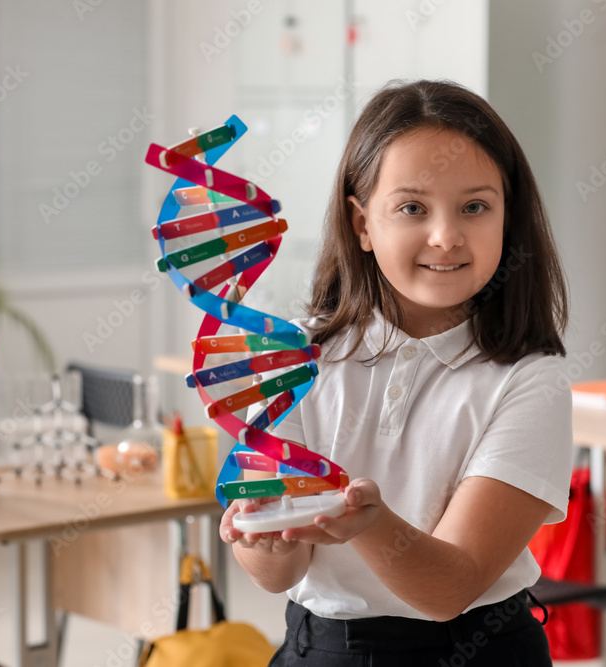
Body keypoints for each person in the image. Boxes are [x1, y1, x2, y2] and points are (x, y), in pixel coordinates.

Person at [221, 79, 573, 666]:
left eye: (475, 206)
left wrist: (367, 522)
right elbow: (276, 575)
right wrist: (264, 537)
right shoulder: (295, 356)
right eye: (412, 207)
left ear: (508, 219)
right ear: (361, 224)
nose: (446, 236)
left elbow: (450, 589)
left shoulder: (529, 379)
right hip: (322, 648)